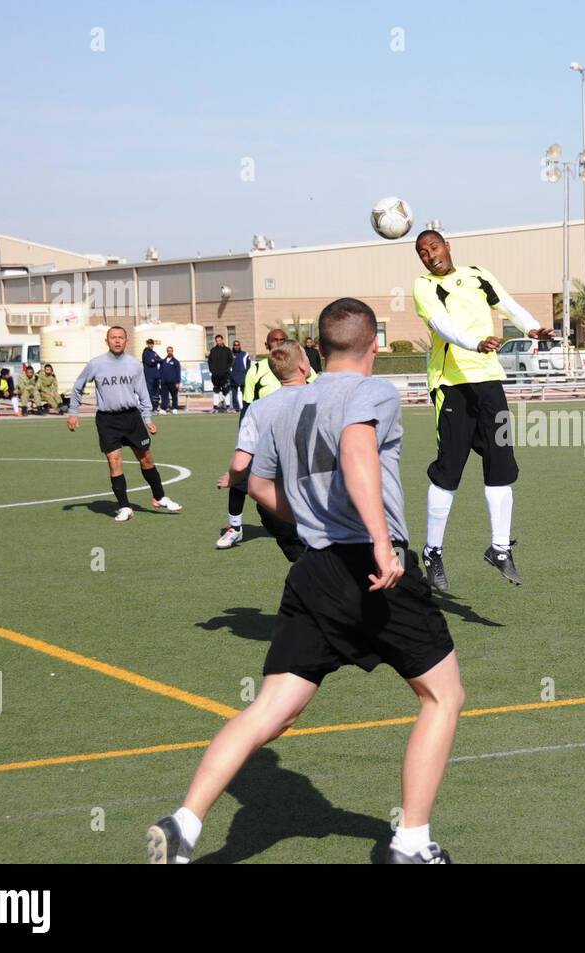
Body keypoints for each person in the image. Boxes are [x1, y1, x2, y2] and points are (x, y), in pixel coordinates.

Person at [147, 297, 464, 865]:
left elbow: (255, 484)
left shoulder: (278, 405)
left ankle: (184, 823)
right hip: (371, 569)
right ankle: (411, 844)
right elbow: (356, 447)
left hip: (312, 572)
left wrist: (313, 521)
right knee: (443, 696)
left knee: (272, 710)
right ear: (375, 347)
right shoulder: (375, 392)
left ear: (316, 348)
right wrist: (380, 540)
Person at [412, 229, 550, 590]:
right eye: (423, 252)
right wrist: (475, 343)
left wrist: (533, 328)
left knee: (502, 463)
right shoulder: (424, 286)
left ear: (447, 246)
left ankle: (500, 549)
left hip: (489, 382)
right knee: (449, 470)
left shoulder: (478, 275)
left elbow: (506, 303)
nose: (430, 256)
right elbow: (442, 325)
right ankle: (433, 551)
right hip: (452, 384)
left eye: (434, 247)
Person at [67, 326, 183, 522]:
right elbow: (78, 386)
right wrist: (73, 412)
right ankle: (124, 507)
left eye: (121, 337)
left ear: (127, 341)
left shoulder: (134, 364)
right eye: (113, 337)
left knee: (146, 458)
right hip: (107, 420)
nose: (117, 341)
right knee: (114, 462)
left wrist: (148, 419)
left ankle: (160, 497)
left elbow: (143, 392)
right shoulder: (96, 364)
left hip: (131, 418)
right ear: (107, 341)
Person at [214, 339, 308, 559]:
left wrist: (231, 477)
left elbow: (239, 464)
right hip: (319, 501)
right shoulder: (325, 399)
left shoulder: (257, 409)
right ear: (303, 366)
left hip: (276, 505)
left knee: (304, 563)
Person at [207, 334, 233, 413]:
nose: (218, 342)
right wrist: (212, 371)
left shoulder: (227, 350)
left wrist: (226, 370)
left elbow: (231, 361)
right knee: (216, 390)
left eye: (219, 340)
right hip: (215, 375)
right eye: (217, 341)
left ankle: (228, 407)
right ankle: (214, 407)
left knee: (226, 390)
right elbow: (210, 361)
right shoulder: (213, 350)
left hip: (225, 375)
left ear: (222, 340)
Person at [228, 339, 249, 413]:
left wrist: (246, 373)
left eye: (238, 345)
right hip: (233, 377)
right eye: (235, 345)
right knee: (234, 393)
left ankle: (246, 407)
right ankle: (236, 408)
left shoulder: (245, 354)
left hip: (243, 376)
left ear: (239, 346)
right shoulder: (230, 355)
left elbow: (248, 365)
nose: (236, 346)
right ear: (233, 346)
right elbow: (228, 366)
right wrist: (231, 374)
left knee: (245, 393)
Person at [142, 339, 163, 414]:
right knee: (149, 392)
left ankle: (155, 407)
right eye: (150, 343)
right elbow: (149, 362)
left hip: (156, 375)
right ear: (147, 344)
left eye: (152, 344)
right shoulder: (145, 353)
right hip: (149, 375)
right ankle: (150, 408)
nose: (151, 345)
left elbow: (160, 360)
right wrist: (155, 360)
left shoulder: (154, 353)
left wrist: (155, 360)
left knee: (156, 392)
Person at [160, 346, 181, 414]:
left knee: (174, 396)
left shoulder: (176, 362)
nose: (170, 352)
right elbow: (160, 371)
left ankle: (174, 408)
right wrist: (160, 380)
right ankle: (163, 408)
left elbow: (178, 372)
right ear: (167, 351)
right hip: (164, 382)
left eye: (171, 351)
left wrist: (177, 382)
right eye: (168, 351)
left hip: (173, 382)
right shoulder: (163, 361)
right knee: (164, 397)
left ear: (172, 351)